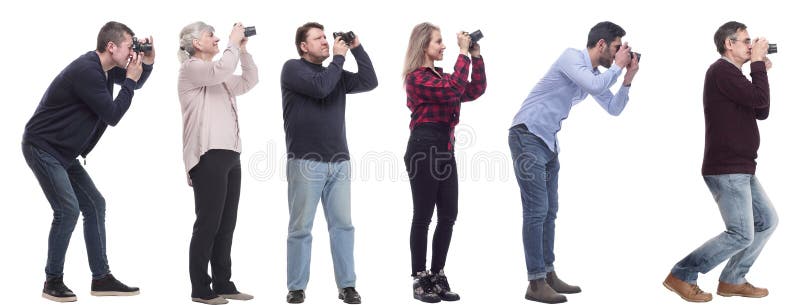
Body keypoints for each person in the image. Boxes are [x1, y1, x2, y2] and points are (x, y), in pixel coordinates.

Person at [21, 21, 154, 302]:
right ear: (111, 47)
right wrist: (129, 80)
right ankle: (52, 281)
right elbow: (113, 114)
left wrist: (148, 64)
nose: (133, 51)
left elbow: (135, 81)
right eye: (130, 46)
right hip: (42, 147)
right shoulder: (88, 71)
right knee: (67, 209)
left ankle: (101, 278)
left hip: (63, 153)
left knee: (95, 204)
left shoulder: (104, 70)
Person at [508, 21, 639, 303]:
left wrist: (627, 78)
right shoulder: (571, 57)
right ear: (601, 44)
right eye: (617, 48)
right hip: (527, 135)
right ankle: (535, 282)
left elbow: (614, 108)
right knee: (536, 210)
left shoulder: (592, 74)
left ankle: (548, 274)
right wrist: (617, 67)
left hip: (548, 143)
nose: (619, 54)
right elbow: (595, 84)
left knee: (550, 211)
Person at [662, 21, 778, 303]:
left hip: (742, 167)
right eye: (746, 40)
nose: (751, 46)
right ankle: (682, 274)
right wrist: (758, 66)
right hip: (727, 168)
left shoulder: (735, 76)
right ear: (729, 44)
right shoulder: (720, 71)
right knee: (741, 234)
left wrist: (758, 68)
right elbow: (759, 97)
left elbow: (761, 109)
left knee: (767, 221)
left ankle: (732, 279)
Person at [280, 22, 378, 304]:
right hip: (305, 161)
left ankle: (347, 285)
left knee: (343, 226)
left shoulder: (333, 72)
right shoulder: (293, 69)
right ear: (303, 46)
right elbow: (321, 89)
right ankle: (296, 287)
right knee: (301, 227)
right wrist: (338, 58)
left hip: (339, 161)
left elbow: (369, 81)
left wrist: (357, 48)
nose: (325, 41)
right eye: (318, 38)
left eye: (326, 37)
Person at [401, 22, 486, 303]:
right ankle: (419, 277)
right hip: (423, 148)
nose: (444, 46)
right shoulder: (416, 78)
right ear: (423, 45)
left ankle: (437, 275)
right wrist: (463, 53)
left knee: (448, 215)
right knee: (423, 216)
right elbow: (451, 91)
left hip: (445, 149)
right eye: (438, 42)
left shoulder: (444, 77)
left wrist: (475, 55)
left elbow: (475, 89)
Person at [178, 21, 259, 305]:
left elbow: (250, 80)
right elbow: (221, 68)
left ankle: (224, 283)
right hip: (207, 154)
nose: (216, 38)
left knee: (227, 224)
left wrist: (243, 51)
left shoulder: (218, 74)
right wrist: (233, 44)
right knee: (208, 223)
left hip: (230, 155)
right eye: (209, 35)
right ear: (196, 43)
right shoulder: (192, 69)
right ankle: (200, 288)